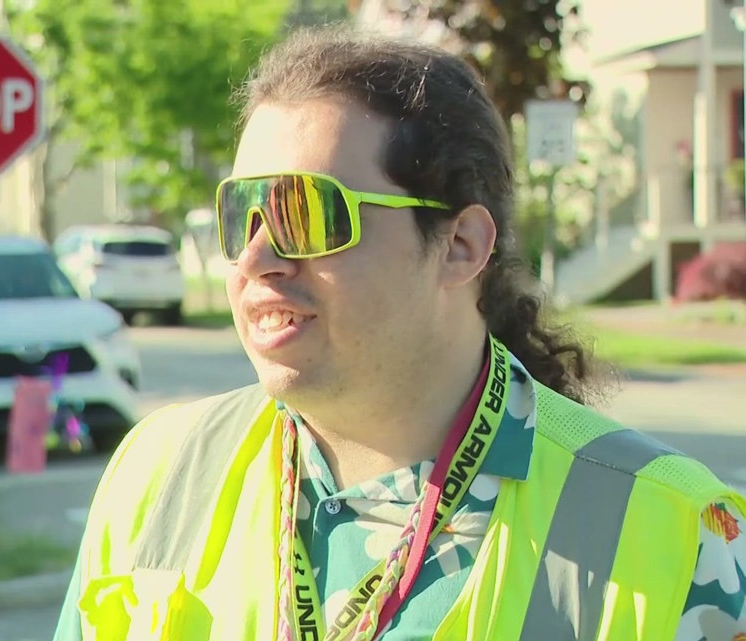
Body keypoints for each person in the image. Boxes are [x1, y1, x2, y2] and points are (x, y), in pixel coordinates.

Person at [53, 25, 746, 641]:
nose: (257, 259)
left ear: (461, 245)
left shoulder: (675, 536)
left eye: (307, 213)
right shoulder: (155, 473)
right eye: (245, 213)